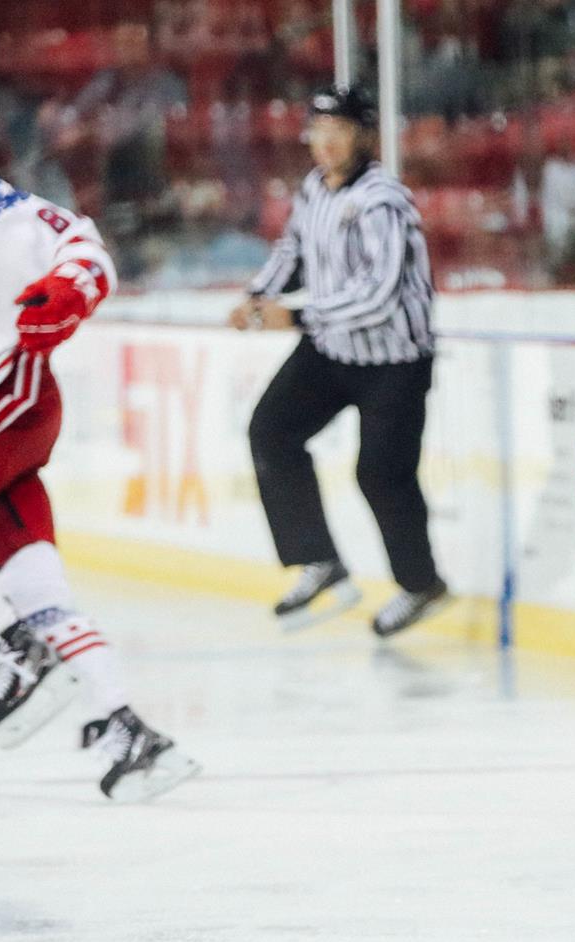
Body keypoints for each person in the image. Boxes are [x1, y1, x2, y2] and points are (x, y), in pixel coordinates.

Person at [0, 169, 199, 801]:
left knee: (19, 606)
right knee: (35, 585)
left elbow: (76, 240)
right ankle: (126, 732)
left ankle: (8, 654)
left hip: (3, 396)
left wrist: (68, 288)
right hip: (3, 421)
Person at [233, 84, 449, 637]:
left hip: (394, 362)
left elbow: (379, 291)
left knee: (381, 474)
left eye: (340, 131)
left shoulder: (383, 201)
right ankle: (319, 560)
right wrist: (258, 295)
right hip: (332, 351)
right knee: (271, 432)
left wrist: (297, 316)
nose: (325, 143)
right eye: (318, 131)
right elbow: (292, 250)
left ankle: (420, 583)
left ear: (363, 136)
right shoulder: (313, 188)